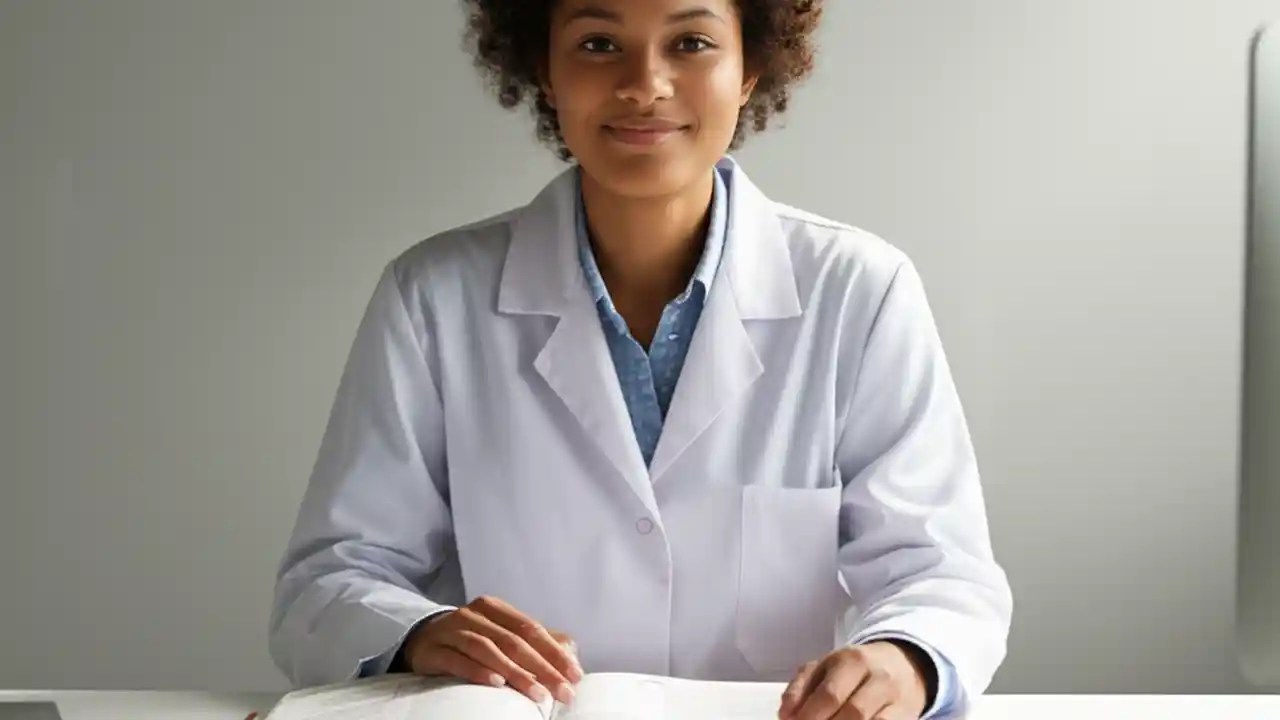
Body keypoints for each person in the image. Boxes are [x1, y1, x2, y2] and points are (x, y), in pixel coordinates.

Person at [268, 1, 1013, 718]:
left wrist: (905, 658)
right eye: (598, 43)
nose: (645, 84)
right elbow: (329, 579)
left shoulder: (859, 292)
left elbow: (942, 572)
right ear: (544, 68)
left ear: (751, 67)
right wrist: (416, 632)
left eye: (691, 43)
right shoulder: (433, 296)